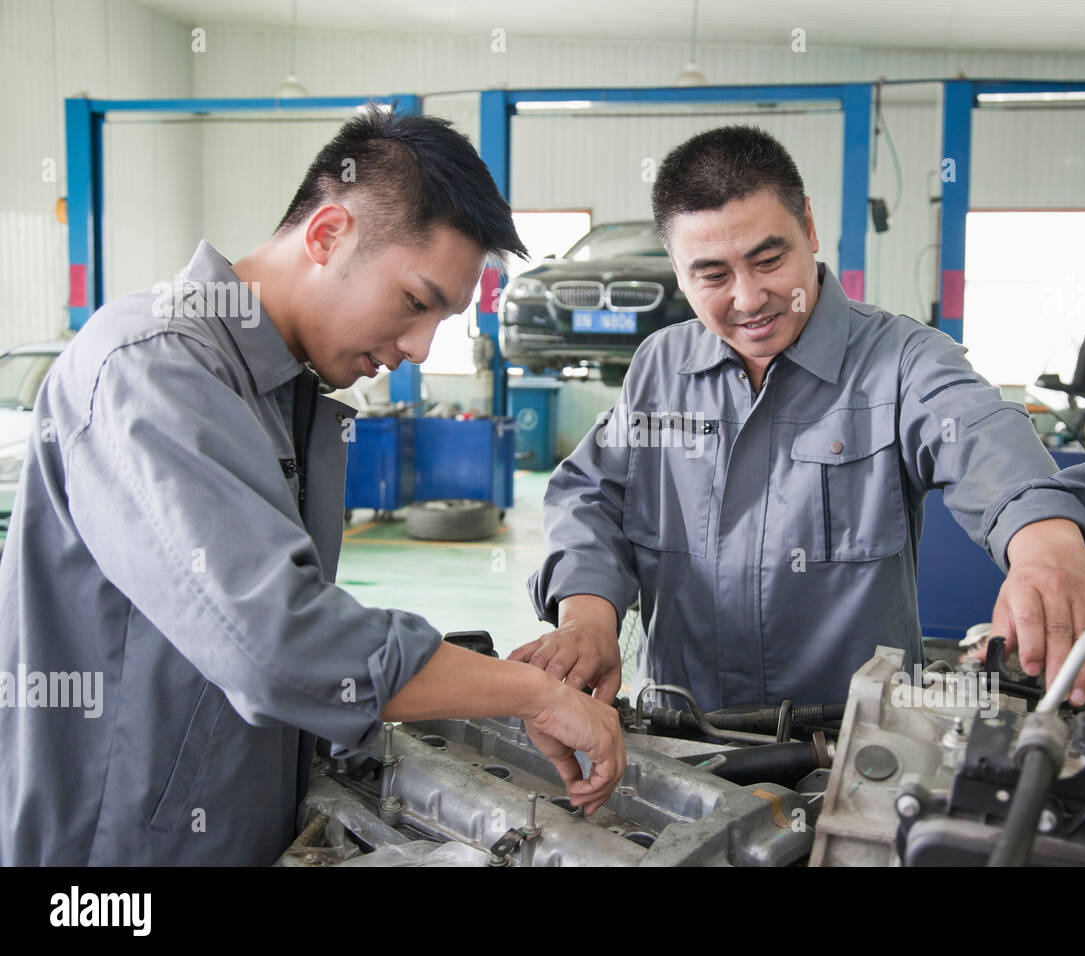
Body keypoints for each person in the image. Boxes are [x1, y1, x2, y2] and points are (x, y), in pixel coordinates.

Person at [0, 110, 624, 866]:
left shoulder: (284, 398)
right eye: (417, 301)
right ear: (328, 234)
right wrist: (534, 694)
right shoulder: (154, 365)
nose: (418, 347)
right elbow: (281, 646)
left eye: (444, 319)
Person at [516, 125, 1085, 716]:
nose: (749, 299)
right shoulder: (659, 367)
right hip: (681, 736)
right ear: (678, 270)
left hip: (860, 751)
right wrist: (589, 618)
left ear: (808, 225)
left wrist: (1045, 546)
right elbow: (593, 493)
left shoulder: (901, 361)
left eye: (768, 258)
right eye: (712, 275)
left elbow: (981, 433)